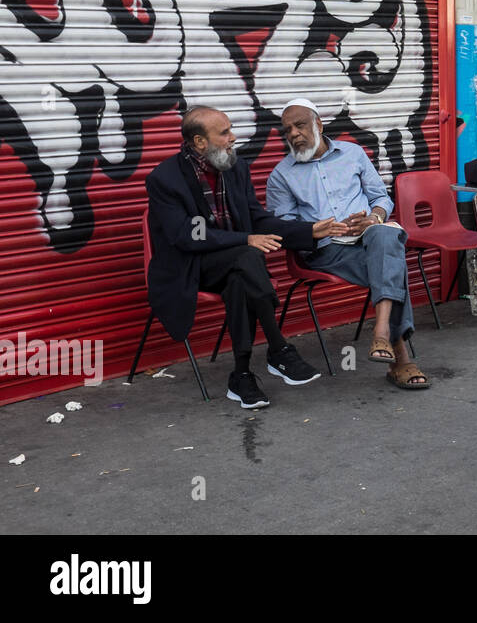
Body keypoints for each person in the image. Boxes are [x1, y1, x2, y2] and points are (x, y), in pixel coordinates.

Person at [145, 106, 348, 408]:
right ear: (200, 142)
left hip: (237, 265)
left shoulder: (235, 169)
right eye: (224, 132)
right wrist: (246, 238)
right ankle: (278, 347)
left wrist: (309, 231)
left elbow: (257, 218)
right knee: (247, 255)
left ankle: (241, 375)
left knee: (242, 276)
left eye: (230, 130)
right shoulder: (165, 179)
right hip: (190, 267)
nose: (233, 138)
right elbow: (190, 235)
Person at [266, 99, 429, 390]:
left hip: (368, 238)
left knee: (384, 235)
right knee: (390, 263)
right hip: (326, 250)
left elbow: (380, 197)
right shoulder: (281, 175)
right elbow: (283, 229)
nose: (293, 134)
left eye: (300, 125)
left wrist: (374, 217)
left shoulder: (352, 154)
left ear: (318, 124)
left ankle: (382, 331)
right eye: (287, 129)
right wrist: (315, 230)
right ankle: (400, 357)